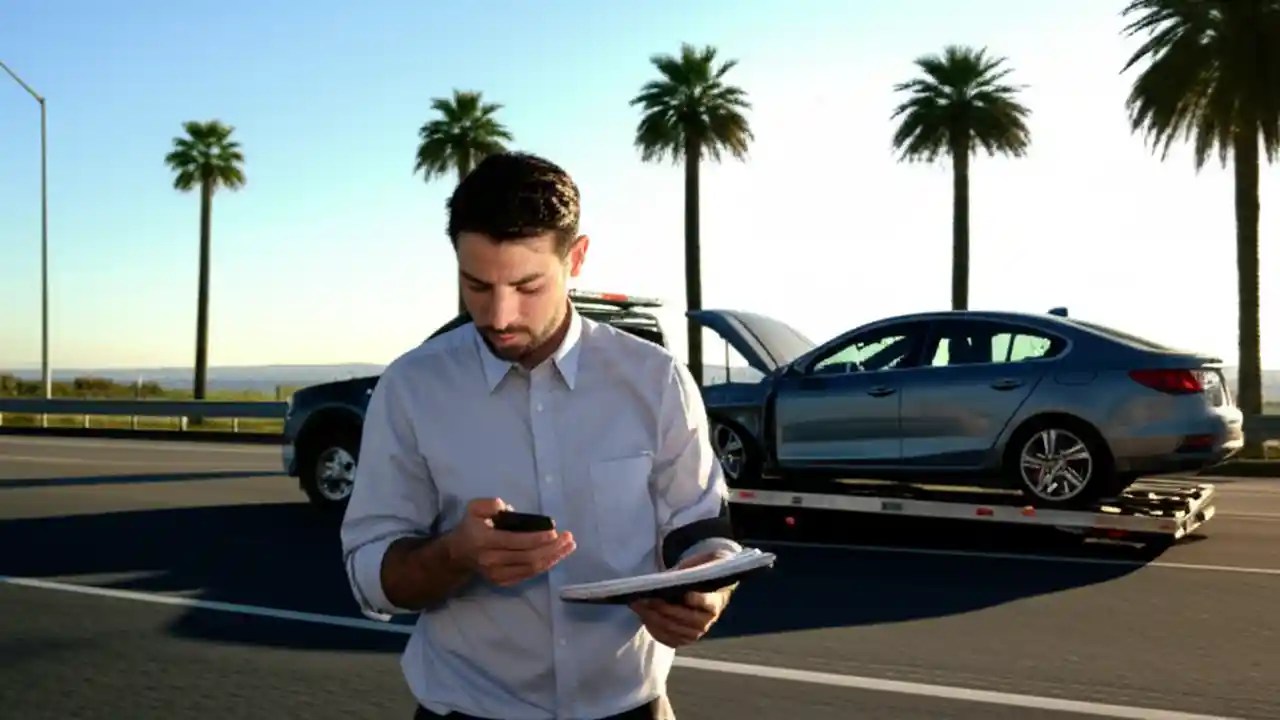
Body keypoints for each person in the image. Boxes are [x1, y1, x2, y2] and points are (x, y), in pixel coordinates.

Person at [339, 151, 743, 720]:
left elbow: (703, 533)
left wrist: (707, 595)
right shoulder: (410, 388)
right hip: (467, 711)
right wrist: (455, 554)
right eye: (476, 285)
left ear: (576, 258)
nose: (499, 315)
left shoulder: (656, 380)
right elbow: (372, 576)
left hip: (633, 708)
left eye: (527, 286)